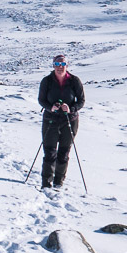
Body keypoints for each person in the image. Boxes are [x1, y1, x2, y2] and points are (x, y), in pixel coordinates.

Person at [37, 54, 85, 190]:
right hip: (50, 119)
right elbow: (41, 100)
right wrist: (50, 107)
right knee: (50, 152)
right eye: (57, 64)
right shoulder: (47, 81)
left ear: (67, 66)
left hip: (69, 120)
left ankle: (59, 182)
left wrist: (71, 108)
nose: (60, 67)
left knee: (64, 153)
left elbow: (81, 101)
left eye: (63, 64)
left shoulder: (75, 81)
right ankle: (46, 183)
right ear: (53, 66)